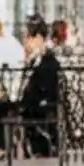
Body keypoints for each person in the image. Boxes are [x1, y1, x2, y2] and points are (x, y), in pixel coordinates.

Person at [18, 15, 62, 158]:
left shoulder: (47, 60)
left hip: (42, 103)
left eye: (29, 39)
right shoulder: (34, 60)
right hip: (32, 101)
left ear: (38, 39)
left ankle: (39, 146)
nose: (26, 43)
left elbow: (45, 86)